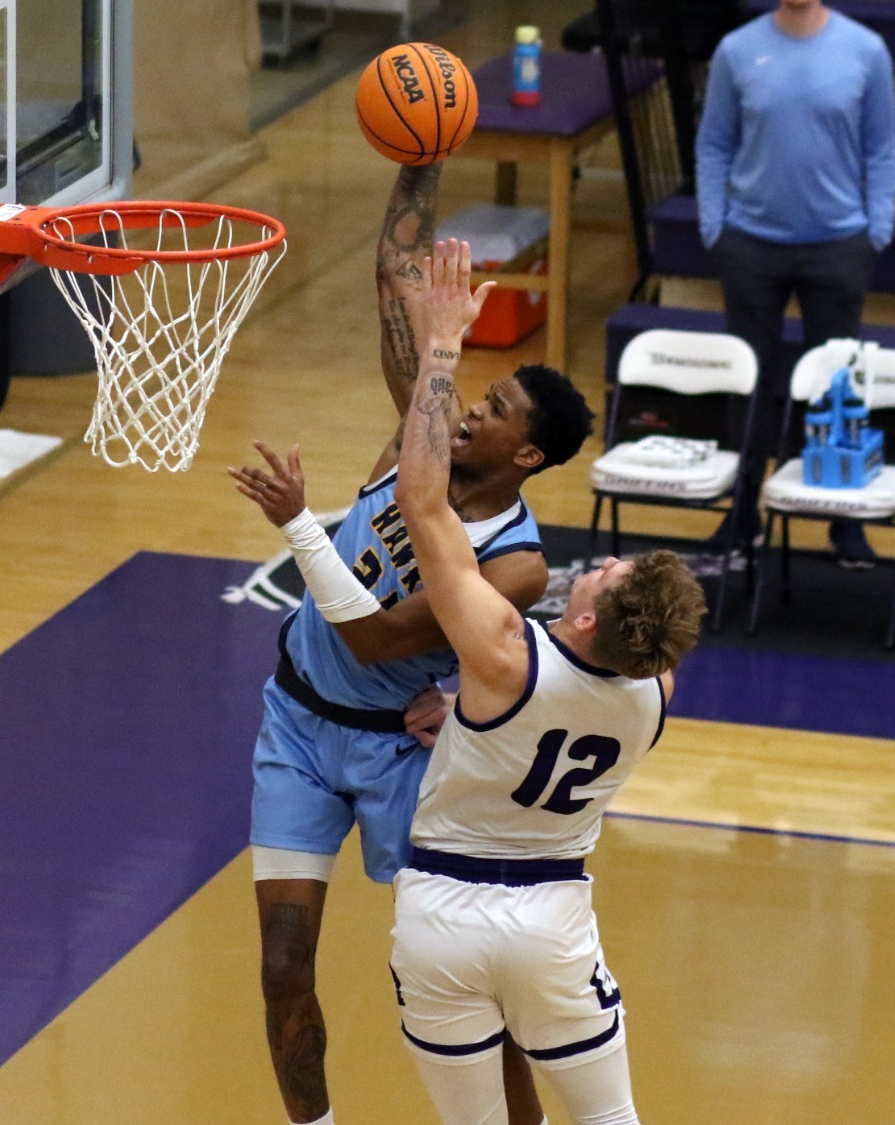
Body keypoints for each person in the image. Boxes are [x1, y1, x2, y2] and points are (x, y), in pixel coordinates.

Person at [228, 163, 596, 1125]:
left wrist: (303, 526)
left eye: (500, 409)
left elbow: (378, 630)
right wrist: (415, 158)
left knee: (474, 982)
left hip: (404, 752)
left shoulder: (512, 565)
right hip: (300, 725)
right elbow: (394, 276)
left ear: (525, 456)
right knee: (278, 967)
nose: (473, 406)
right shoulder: (416, 434)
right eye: (488, 390)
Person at [387, 238, 706, 1125]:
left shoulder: (500, 651)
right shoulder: (653, 696)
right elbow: (653, 632)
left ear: (587, 618)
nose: (597, 561)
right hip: (551, 921)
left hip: (442, 912)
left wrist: (443, 341)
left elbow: (423, 500)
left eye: (604, 572)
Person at [695, 0, 895, 567]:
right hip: (751, 245)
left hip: (838, 245)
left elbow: (882, 148)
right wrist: (718, 227)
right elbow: (713, 143)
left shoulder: (866, 51)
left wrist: (874, 229)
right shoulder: (737, 50)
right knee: (750, 384)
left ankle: (845, 522)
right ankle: (742, 513)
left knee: (840, 388)